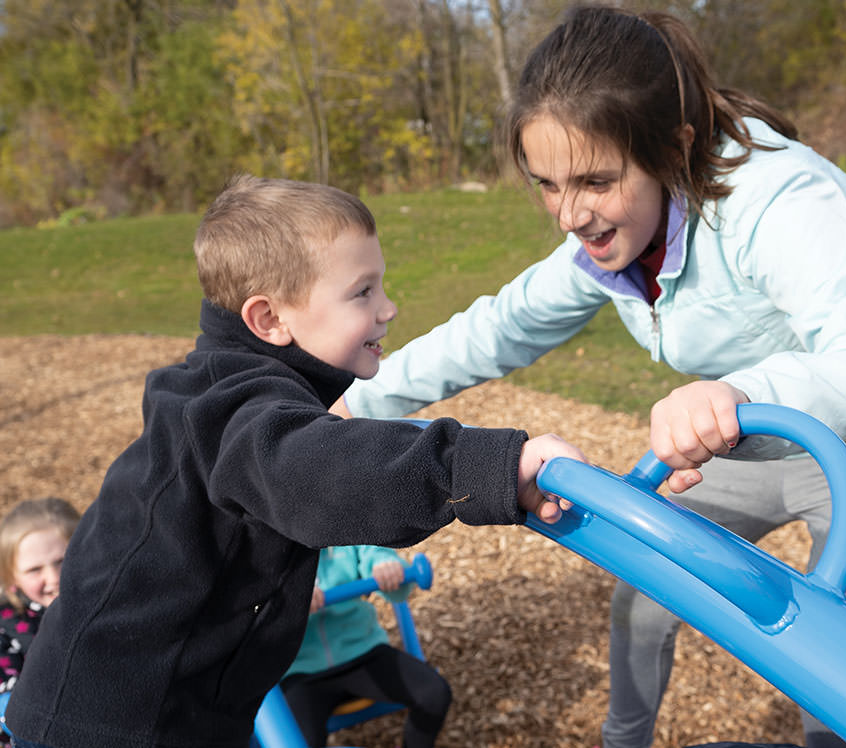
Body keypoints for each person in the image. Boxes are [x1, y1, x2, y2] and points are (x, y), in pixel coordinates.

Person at [334, 6, 846, 748]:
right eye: (546, 184)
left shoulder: (776, 199)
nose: (570, 214)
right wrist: (355, 402)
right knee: (644, 596)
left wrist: (740, 393)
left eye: (594, 181)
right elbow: (503, 326)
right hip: (761, 427)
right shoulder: (612, 236)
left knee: (835, 674)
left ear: (673, 149)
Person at [3, 174, 594, 748]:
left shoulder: (230, 389)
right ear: (270, 319)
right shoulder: (236, 407)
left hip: (157, 711)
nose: (388, 308)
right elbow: (328, 476)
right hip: (123, 724)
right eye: (363, 291)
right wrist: (490, 466)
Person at [280, 546, 451, 748]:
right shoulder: (270, 549)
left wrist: (387, 567)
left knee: (433, 694)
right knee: (295, 741)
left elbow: (374, 552)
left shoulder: (343, 532)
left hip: (362, 651)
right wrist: (287, 604)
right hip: (300, 671)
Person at [0, 498, 81, 743]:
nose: (54, 578)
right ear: (11, 575)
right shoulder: (8, 624)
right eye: (35, 570)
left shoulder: (106, 604)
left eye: (62, 560)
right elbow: (7, 702)